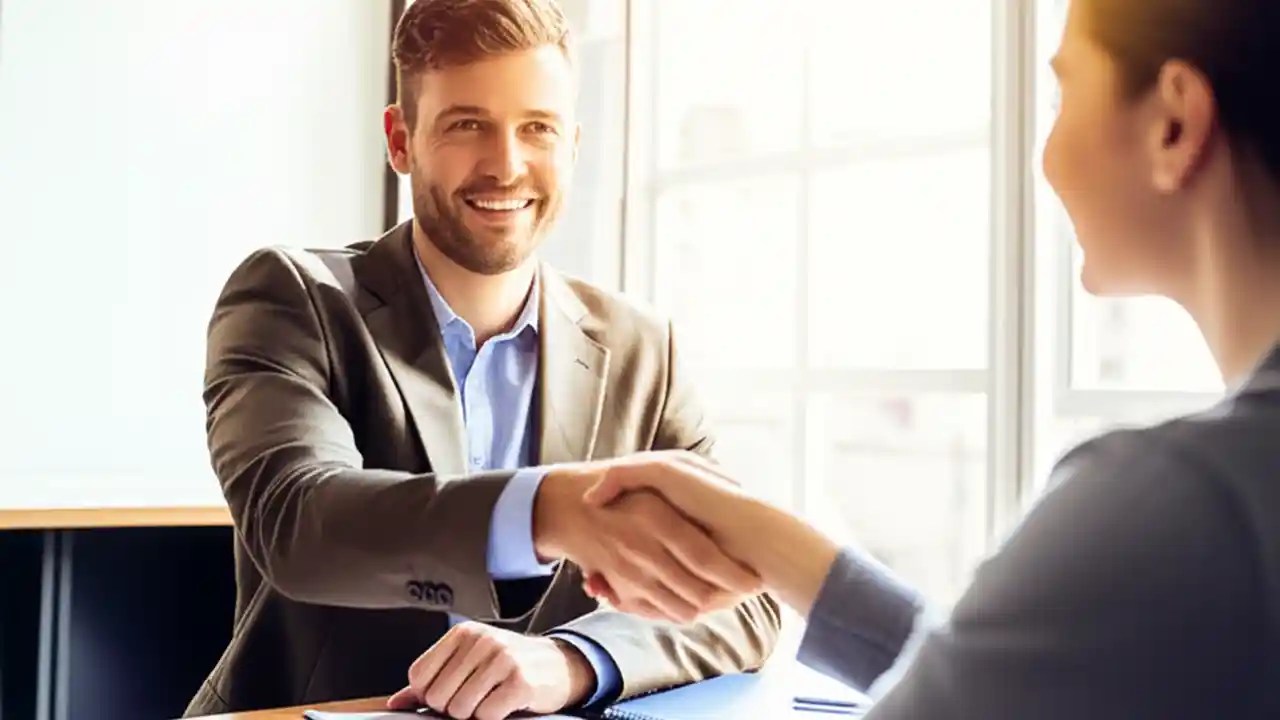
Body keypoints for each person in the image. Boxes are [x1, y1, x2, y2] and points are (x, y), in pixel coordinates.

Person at [584, 0, 1280, 717]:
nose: (1045, 158)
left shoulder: (1181, 505)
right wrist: (775, 549)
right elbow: (1008, 687)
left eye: (1062, 96)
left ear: (1174, 123)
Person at [184, 1, 780, 717]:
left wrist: (572, 659)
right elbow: (299, 523)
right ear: (401, 141)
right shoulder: (294, 298)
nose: (506, 164)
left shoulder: (641, 348)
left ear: (572, 145)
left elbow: (746, 600)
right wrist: (547, 510)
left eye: (538, 128)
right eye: (467, 125)